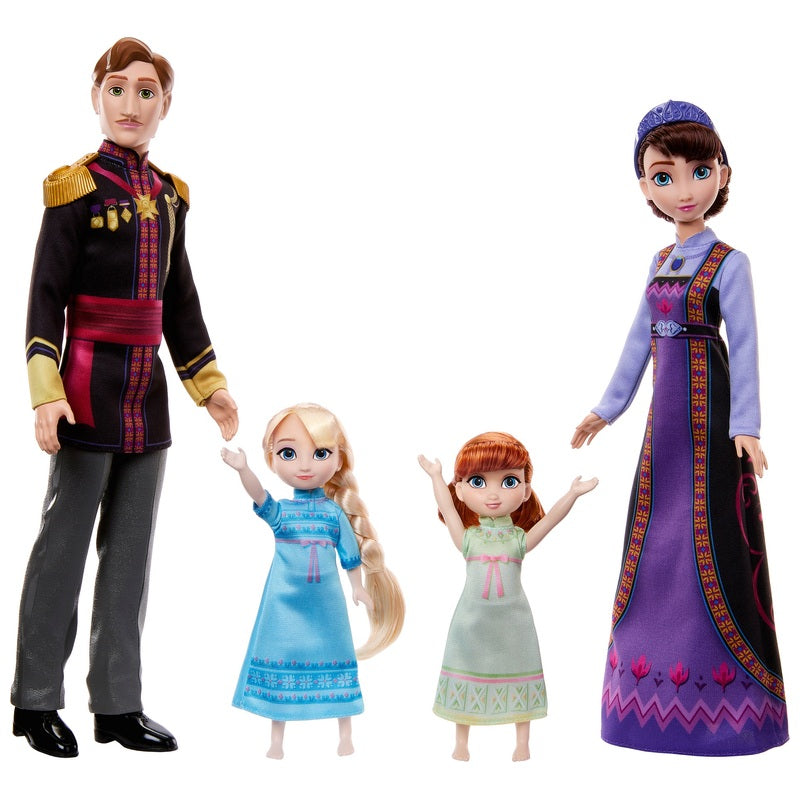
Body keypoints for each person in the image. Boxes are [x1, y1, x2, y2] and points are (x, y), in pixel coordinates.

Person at [11, 37, 238, 758]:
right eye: (117, 89)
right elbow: (45, 299)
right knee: (62, 550)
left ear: (165, 105)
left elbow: (181, 301)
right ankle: (35, 700)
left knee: (130, 559)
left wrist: (208, 384)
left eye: (146, 92)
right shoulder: (74, 189)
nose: (130, 104)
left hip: (148, 397)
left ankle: (116, 704)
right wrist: (45, 393)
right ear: (96, 98)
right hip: (84, 391)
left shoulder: (170, 197)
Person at [572, 100, 788, 755]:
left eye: (699, 171)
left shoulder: (730, 263)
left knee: (711, 536)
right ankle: (641, 696)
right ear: (645, 187)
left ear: (722, 173)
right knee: (654, 539)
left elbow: (744, 345)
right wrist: (607, 407)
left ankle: (730, 708)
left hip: (710, 421)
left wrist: (746, 426)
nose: (684, 189)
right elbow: (640, 339)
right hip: (662, 429)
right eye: (664, 176)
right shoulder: (661, 261)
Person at [221, 403, 404, 758]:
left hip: (326, 605)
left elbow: (350, 555)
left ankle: (345, 734)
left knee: (336, 654)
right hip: (284, 603)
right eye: (289, 453)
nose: (304, 465)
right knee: (281, 656)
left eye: (320, 453)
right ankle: (276, 740)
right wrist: (243, 468)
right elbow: (259, 495)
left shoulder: (334, 514)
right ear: (273, 458)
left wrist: (358, 587)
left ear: (338, 460)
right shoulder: (282, 513)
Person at [418, 433, 597, 761]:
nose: (494, 493)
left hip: (514, 623)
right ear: (460, 489)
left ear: (526, 490)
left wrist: (572, 494)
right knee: (465, 669)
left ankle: (522, 742)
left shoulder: (518, 539)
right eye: (478, 481)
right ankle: (461, 742)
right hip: (471, 622)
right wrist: (435, 476)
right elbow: (448, 510)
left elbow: (551, 520)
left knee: (520, 671)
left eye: (509, 481)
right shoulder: (468, 539)